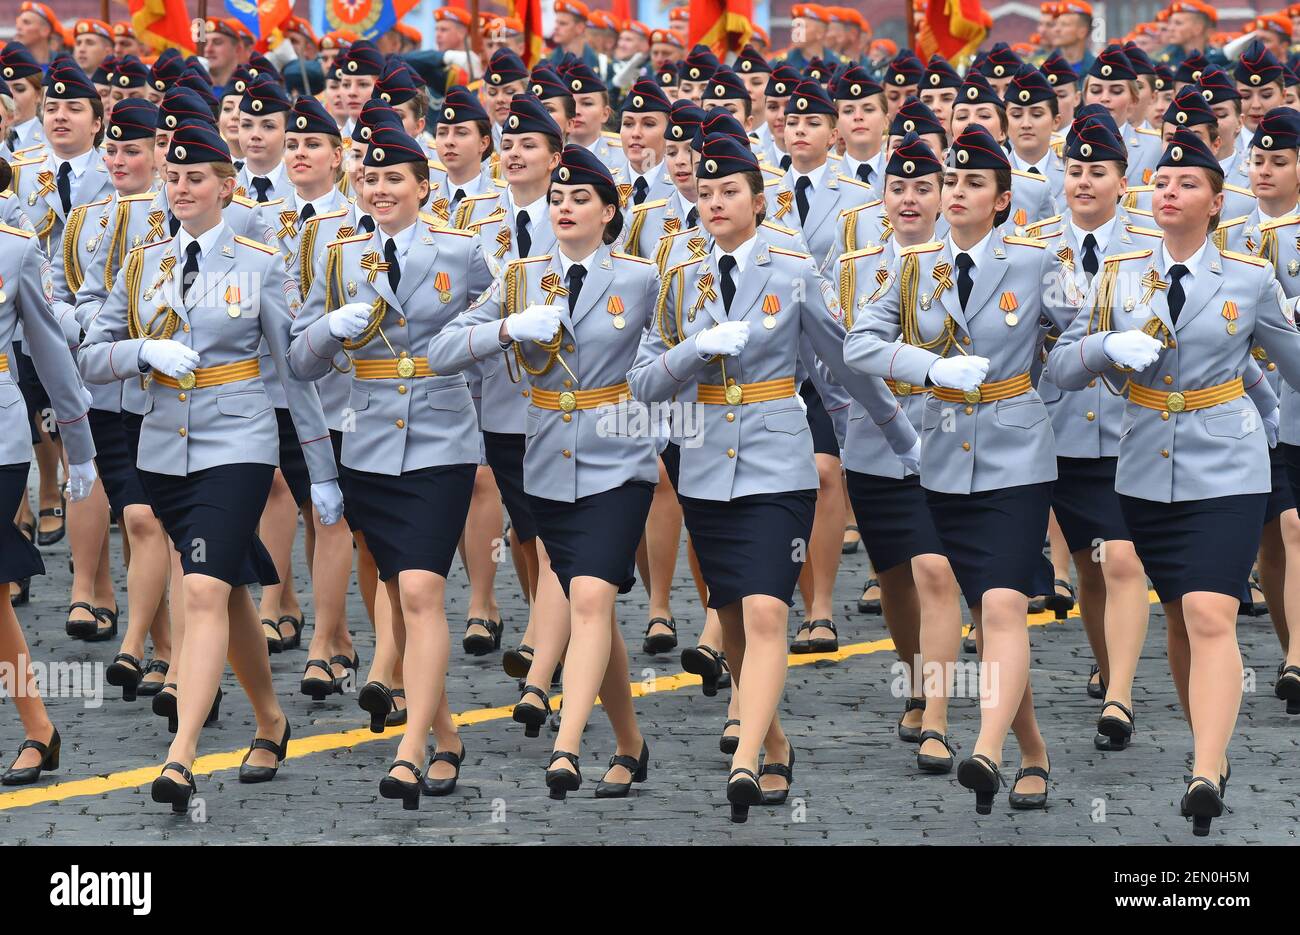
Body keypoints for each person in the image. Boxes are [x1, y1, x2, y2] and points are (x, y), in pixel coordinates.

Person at [628, 131, 919, 822]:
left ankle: (745, 757)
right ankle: (776, 742)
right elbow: (641, 381)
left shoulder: (792, 268)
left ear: (760, 201)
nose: (716, 203)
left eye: (730, 191)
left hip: (777, 459)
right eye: (705, 193)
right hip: (703, 466)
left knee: (765, 610)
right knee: (730, 611)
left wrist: (897, 433)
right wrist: (692, 352)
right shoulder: (678, 270)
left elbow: (842, 363)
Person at [79, 121, 343, 812]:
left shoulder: (260, 262)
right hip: (163, 449)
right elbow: (88, 356)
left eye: (197, 178)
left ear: (227, 185)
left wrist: (320, 471)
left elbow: (294, 375)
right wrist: (141, 352)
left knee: (198, 591)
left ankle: (181, 754)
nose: (182, 188)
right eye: (174, 178)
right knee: (221, 590)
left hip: (239, 443)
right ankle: (270, 717)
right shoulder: (144, 263)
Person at [1049, 125, 1300, 835]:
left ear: (1216, 203)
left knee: (1211, 613)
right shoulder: (1120, 271)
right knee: (1181, 620)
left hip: (1228, 463)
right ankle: (1209, 752)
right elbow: (1059, 371)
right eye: (1161, 181)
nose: (1169, 191)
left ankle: (1203, 766)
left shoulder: (1250, 278)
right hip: (1143, 466)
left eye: (1187, 183)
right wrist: (1103, 345)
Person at [845, 123, 1070, 815]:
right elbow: (860, 343)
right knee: (986, 608)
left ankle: (988, 748)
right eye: (954, 182)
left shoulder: (1034, 262)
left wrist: (1095, 355)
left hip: (1017, 454)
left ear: (1002, 200)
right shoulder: (915, 267)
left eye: (975, 183)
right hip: (942, 459)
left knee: (1002, 604)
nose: (958, 192)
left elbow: (1073, 340)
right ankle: (1033, 753)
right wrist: (931, 366)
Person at [428, 144, 660, 798]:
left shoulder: (642, 277)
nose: (563, 207)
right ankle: (629, 741)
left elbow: (671, 356)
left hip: (620, 456)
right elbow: (443, 348)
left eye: (580, 198)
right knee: (597, 612)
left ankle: (564, 746)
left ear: (609, 211)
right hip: (549, 459)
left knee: (588, 596)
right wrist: (505, 327)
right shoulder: (521, 276)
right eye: (557, 198)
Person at [288, 122, 489, 808]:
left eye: (393, 178)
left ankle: (410, 749)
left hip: (440, 441)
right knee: (398, 591)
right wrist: (325, 330)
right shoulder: (339, 253)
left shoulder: (461, 251)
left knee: (422, 592)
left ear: (422, 187)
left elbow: (492, 332)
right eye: (369, 179)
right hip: (367, 443)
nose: (378, 189)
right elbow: (299, 362)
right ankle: (448, 734)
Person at [837, 132, 967, 771]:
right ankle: (916, 677)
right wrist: (891, 426)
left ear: (944, 196)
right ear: (882, 196)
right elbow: (845, 362)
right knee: (892, 574)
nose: (910, 199)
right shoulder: (855, 266)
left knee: (935, 571)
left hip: (950, 439)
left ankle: (938, 715)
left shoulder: (962, 261)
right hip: (875, 444)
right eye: (898, 188)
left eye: (924, 188)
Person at [66, 98, 175, 700]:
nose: (118, 159)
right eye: (112, 148)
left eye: (132, 149)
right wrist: (79, 317)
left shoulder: (183, 213)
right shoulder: (87, 218)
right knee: (138, 522)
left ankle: (146, 646)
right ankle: (161, 649)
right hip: (106, 388)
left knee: (146, 517)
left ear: (160, 151)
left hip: (164, 393)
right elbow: (63, 291)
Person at [0, 154, 98, 786]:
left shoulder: (14, 250)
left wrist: (80, 445)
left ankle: (36, 726)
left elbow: (48, 348)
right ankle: (39, 728)